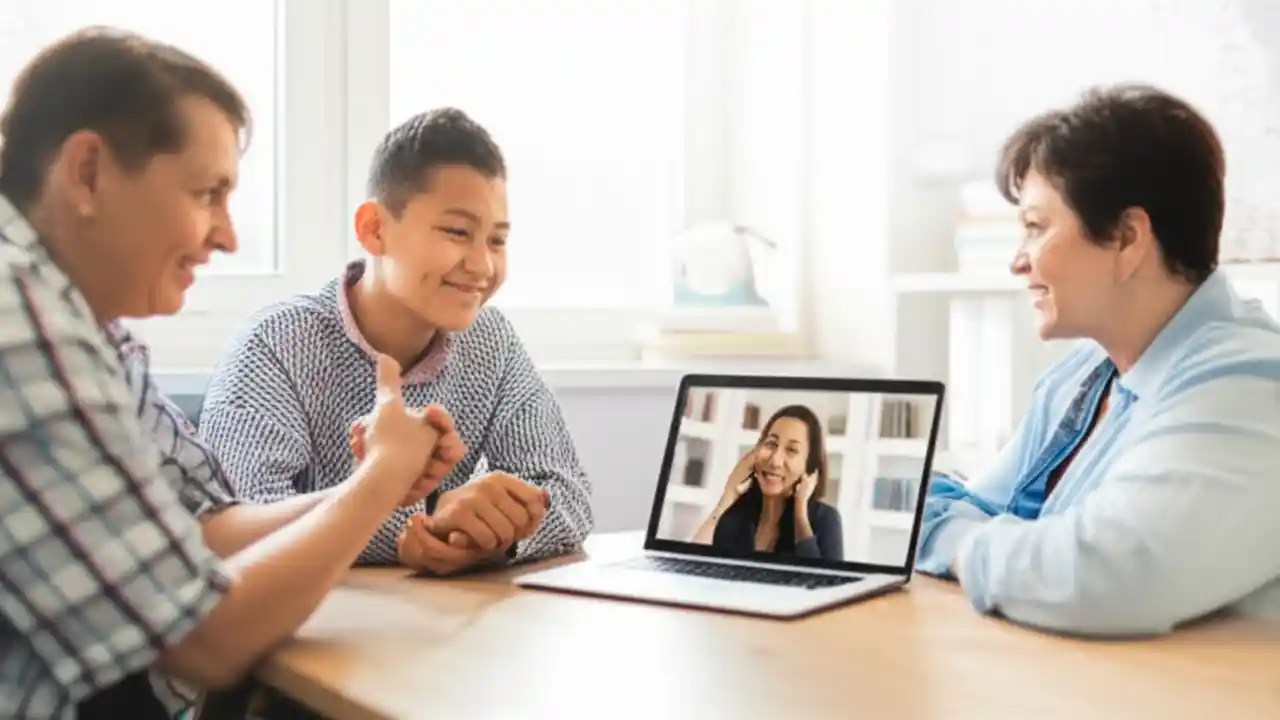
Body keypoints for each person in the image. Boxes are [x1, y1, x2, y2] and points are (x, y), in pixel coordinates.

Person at [0, 27, 465, 719]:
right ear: (88, 173)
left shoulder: (86, 325)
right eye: (206, 194)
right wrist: (372, 487)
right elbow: (201, 640)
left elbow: (199, 528)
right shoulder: (21, 325)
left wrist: (381, 478)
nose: (228, 235)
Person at [917, 83, 1280, 636]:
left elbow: (1104, 574)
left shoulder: (1251, 384)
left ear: (1128, 237)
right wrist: (978, 535)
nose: (1018, 261)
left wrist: (965, 544)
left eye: (1036, 227)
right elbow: (955, 503)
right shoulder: (1084, 374)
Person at [197, 108, 592, 576]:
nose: (483, 266)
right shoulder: (274, 345)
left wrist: (486, 536)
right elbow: (242, 520)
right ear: (374, 229)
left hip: (429, 623)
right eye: (457, 232)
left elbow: (568, 495)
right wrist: (427, 523)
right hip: (310, 624)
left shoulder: (493, 342)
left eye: (498, 241)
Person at [691, 405, 843, 560]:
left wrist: (800, 514)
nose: (775, 461)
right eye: (771, 444)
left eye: (791, 450)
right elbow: (694, 563)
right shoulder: (739, 513)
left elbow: (820, 581)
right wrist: (729, 494)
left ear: (810, 467)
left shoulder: (825, 519)